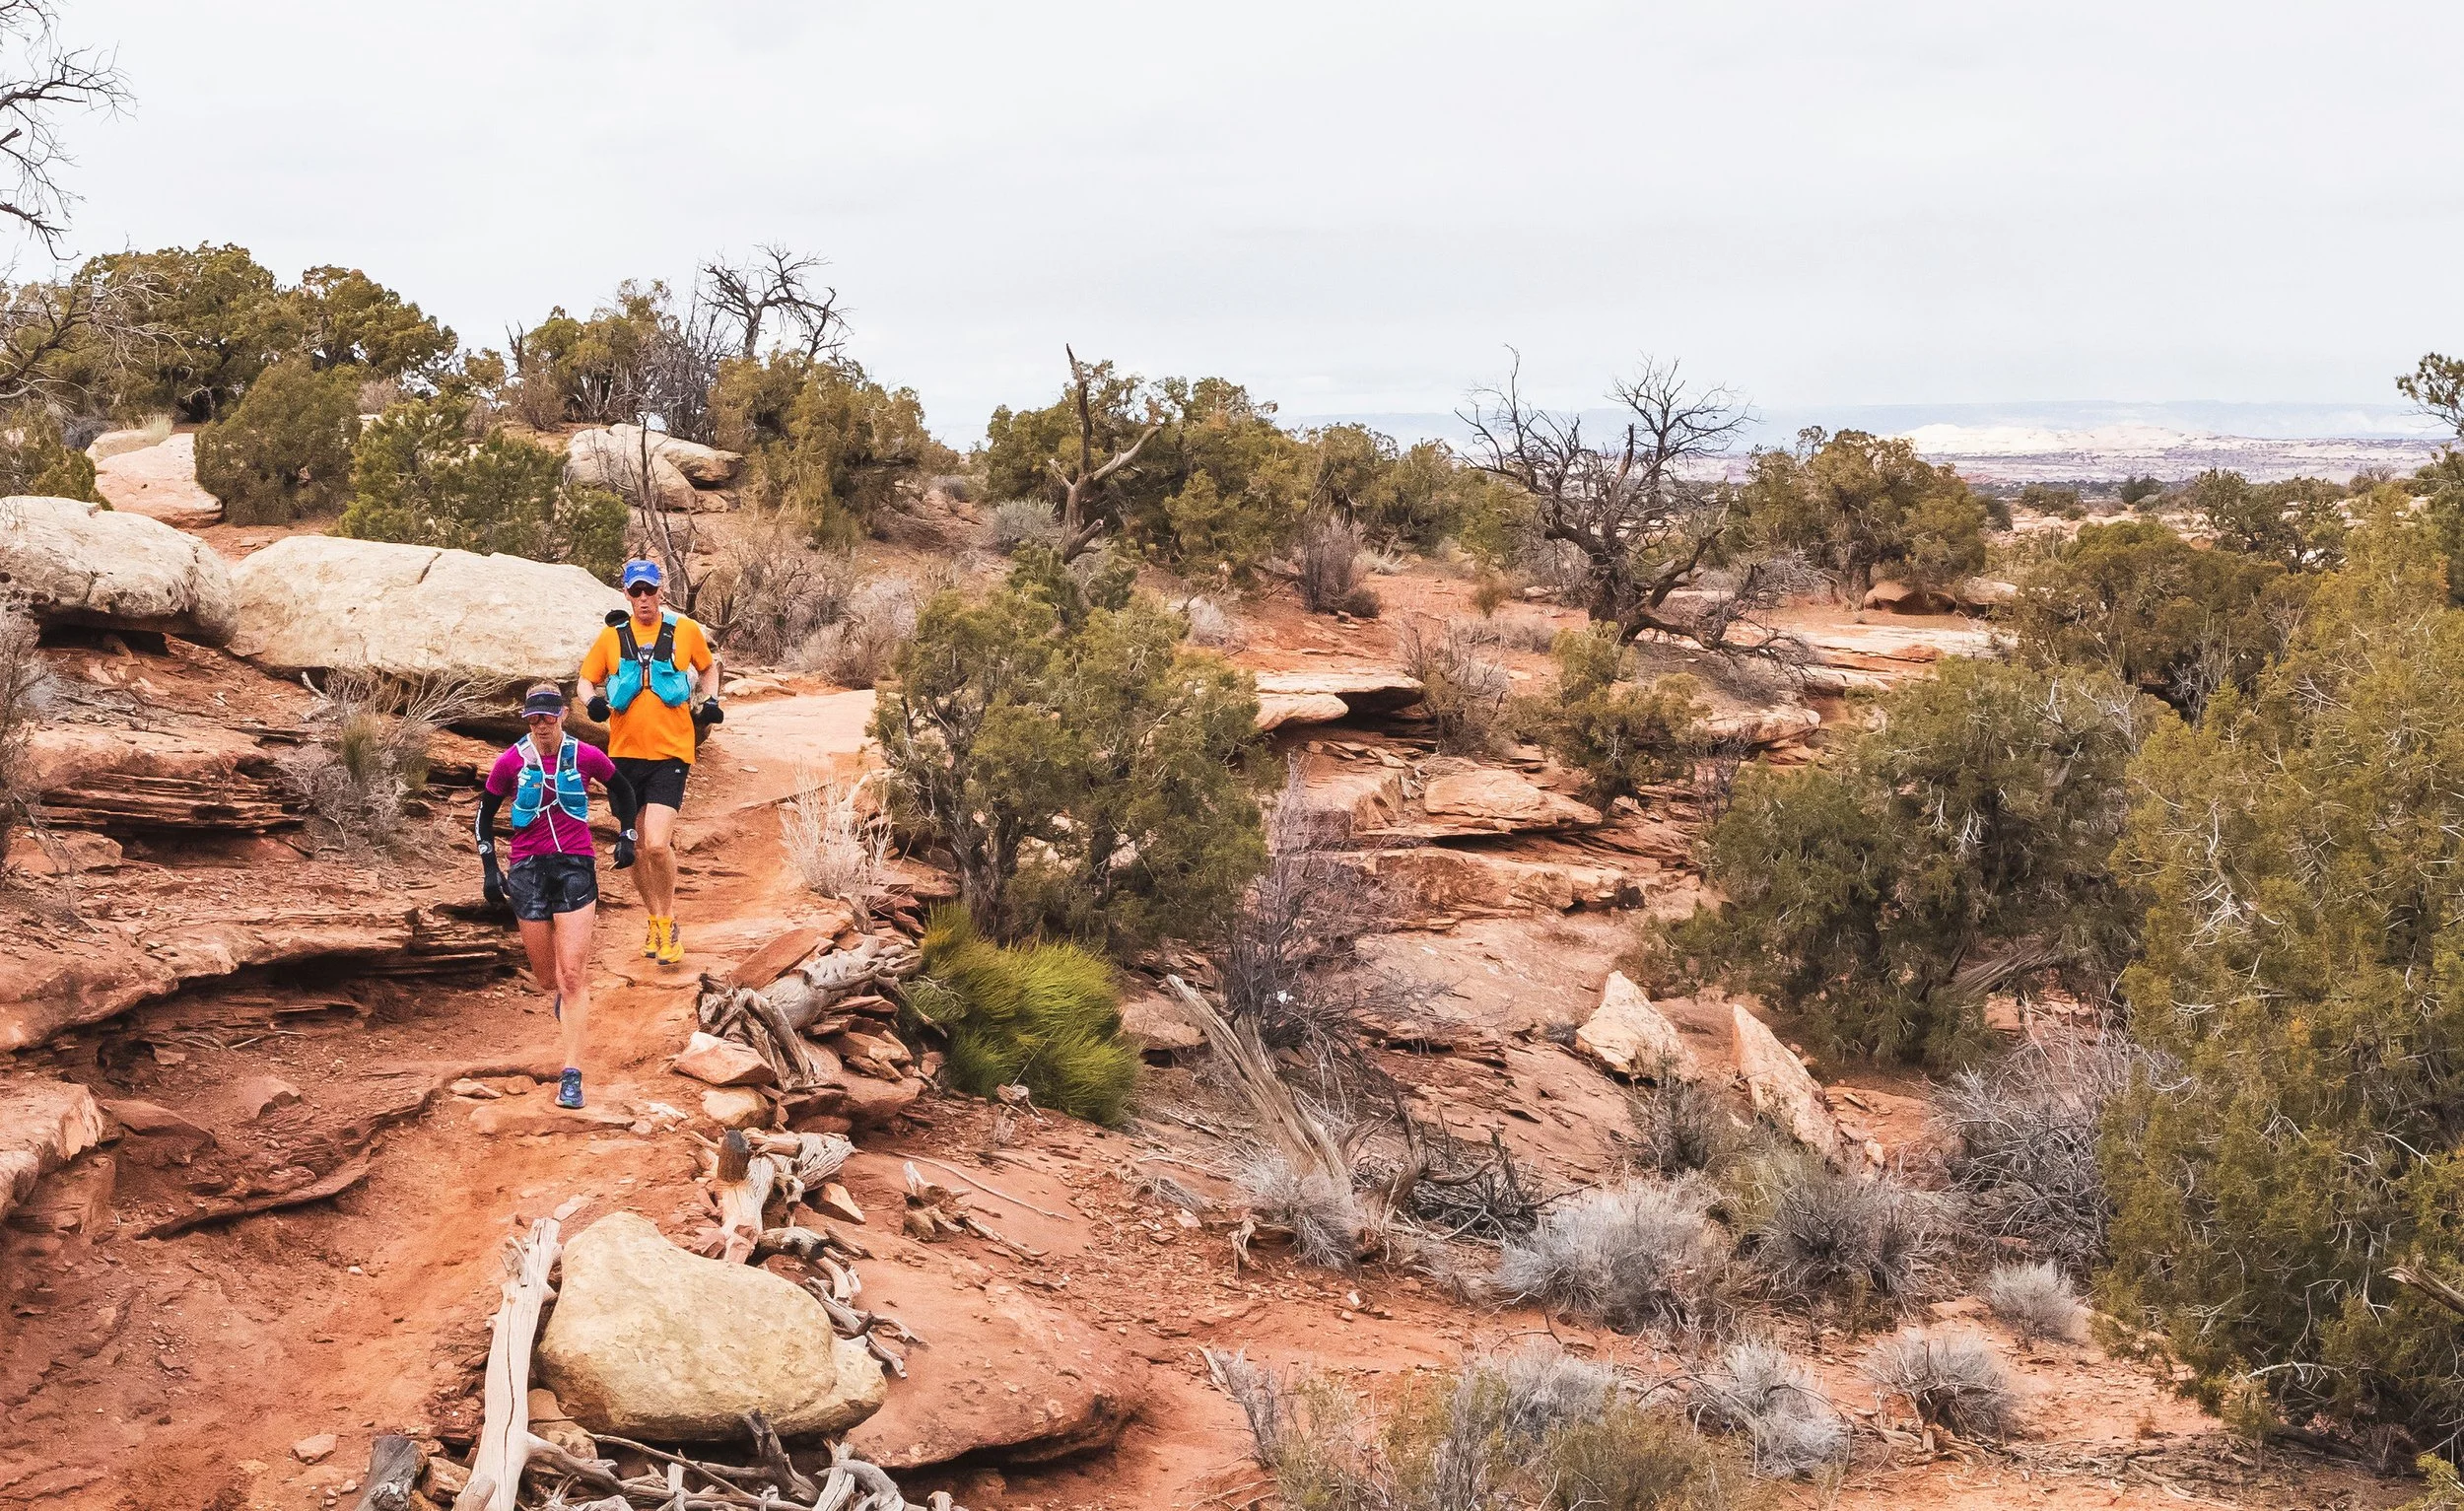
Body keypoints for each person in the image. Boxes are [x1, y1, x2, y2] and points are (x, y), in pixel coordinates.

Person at [476, 683, 641, 1110]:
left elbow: (622, 789)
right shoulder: (510, 762)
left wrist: (627, 833)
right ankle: (564, 1000)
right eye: (534, 719)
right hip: (528, 868)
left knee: (571, 977)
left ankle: (571, 1074)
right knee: (548, 978)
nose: (541, 726)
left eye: (548, 718)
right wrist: (490, 868)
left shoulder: (585, 755)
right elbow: (484, 816)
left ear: (563, 716)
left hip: (575, 867)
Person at [577, 557, 721, 968]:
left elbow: (708, 667)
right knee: (638, 848)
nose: (643, 598)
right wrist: (593, 703)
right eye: (635, 591)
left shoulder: (684, 631)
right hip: (623, 756)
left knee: (657, 843)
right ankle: (654, 920)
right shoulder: (611, 637)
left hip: (671, 754)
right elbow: (585, 680)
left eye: (649, 590)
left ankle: (669, 919)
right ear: (626, 593)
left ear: (662, 591)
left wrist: (709, 701)